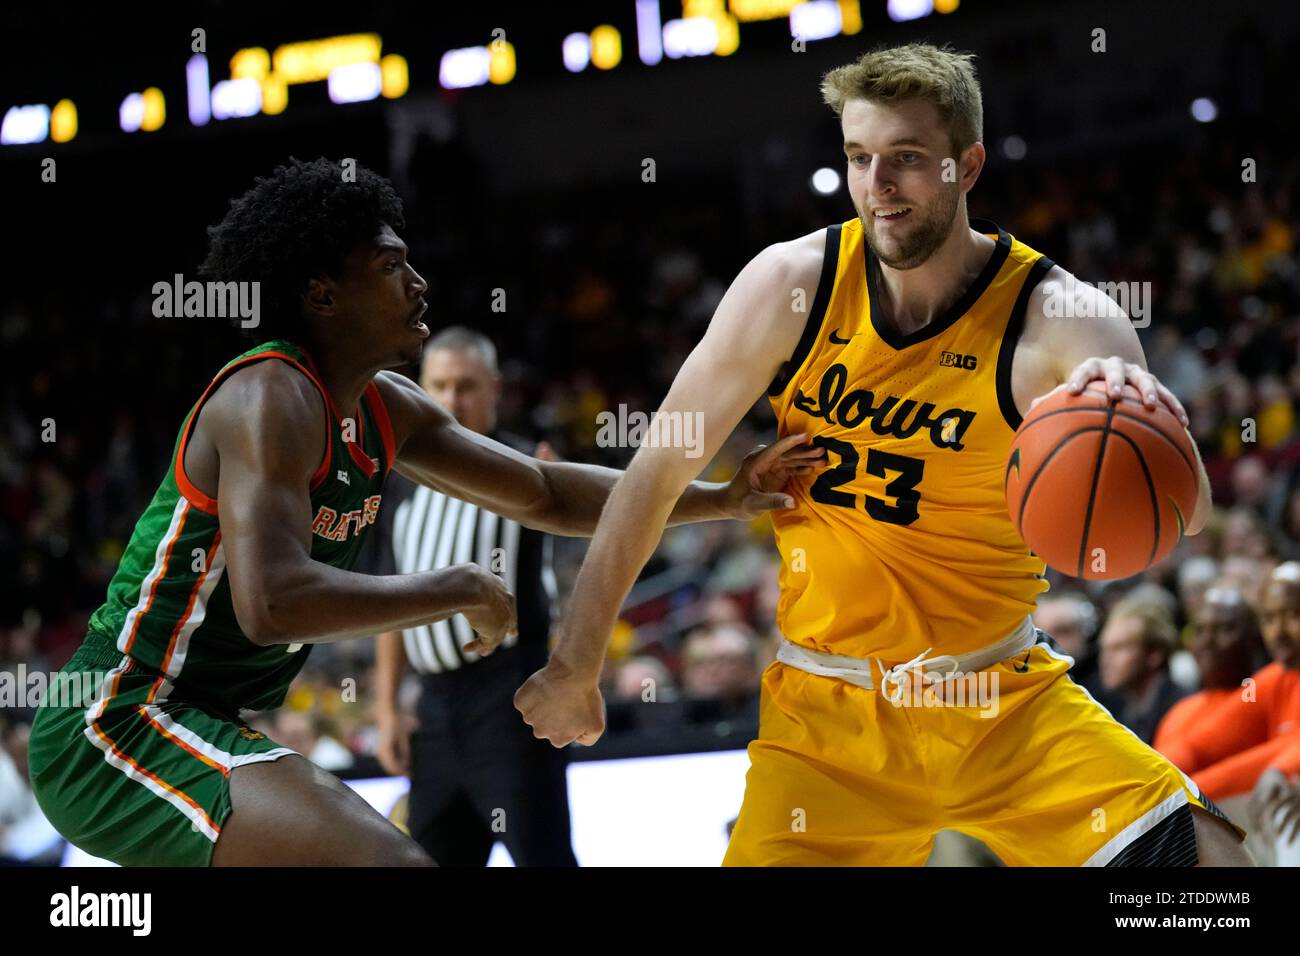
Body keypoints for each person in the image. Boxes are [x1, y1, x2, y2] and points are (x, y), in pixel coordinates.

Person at [515, 43, 1251, 865]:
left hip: (999, 701)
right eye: (860, 159)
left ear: (967, 166)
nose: (878, 186)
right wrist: (577, 663)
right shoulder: (789, 286)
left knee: (1215, 877)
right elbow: (654, 474)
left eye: (905, 159)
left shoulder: (1061, 318)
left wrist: (1140, 410)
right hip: (826, 726)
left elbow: (1192, 515)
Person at [24, 157, 817, 867]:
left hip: (200, 717)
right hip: (119, 721)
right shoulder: (267, 396)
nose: (419, 283)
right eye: (390, 265)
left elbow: (543, 493)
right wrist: (460, 584)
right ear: (323, 295)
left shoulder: (386, 408)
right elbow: (270, 605)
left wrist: (719, 496)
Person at [370, 327, 576, 866]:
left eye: (465, 386)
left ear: (494, 389)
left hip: (510, 700)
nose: (450, 401)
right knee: (432, 858)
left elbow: (588, 527)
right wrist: (387, 707)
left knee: (543, 855)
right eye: (437, 385)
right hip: (433, 708)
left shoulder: (528, 464)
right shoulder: (402, 481)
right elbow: (391, 598)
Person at [1097, 600, 1187, 744]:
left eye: (1119, 648)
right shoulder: (1114, 711)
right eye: (1105, 649)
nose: (1106, 660)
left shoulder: (1182, 710)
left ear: (1154, 654)